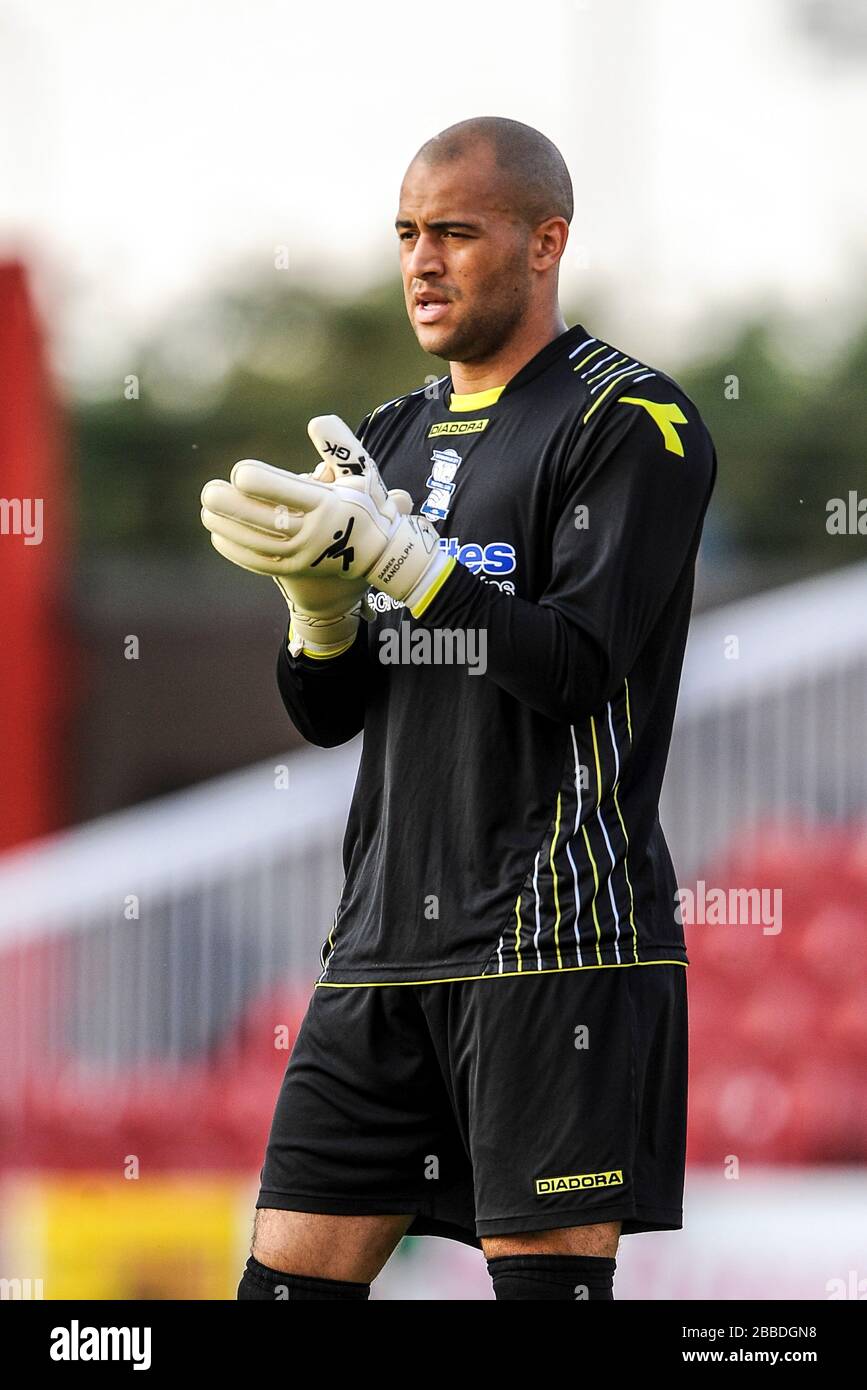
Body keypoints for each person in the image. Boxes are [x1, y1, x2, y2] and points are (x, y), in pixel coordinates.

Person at [202, 115, 717, 1301]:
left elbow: (579, 663)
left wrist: (409, 566)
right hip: (378, 949)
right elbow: (330, 715)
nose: (421, 262)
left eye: (455, 233)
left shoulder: (630, 420)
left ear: (546, 242)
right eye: (405, 235)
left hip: (552, 948)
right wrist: (319, 609)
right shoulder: (387, 433)